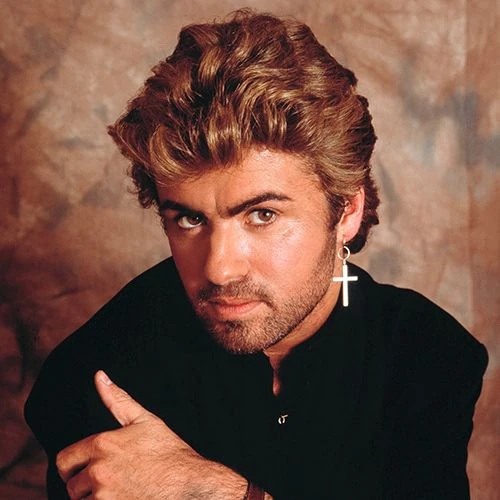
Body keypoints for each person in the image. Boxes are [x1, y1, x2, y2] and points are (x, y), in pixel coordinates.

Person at [25, 9, 487, 500]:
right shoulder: (99, 372)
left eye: (262, 215)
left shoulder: (428, 355)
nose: (219, 268)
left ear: (347, 212)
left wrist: (213, 491)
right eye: (190, 219)